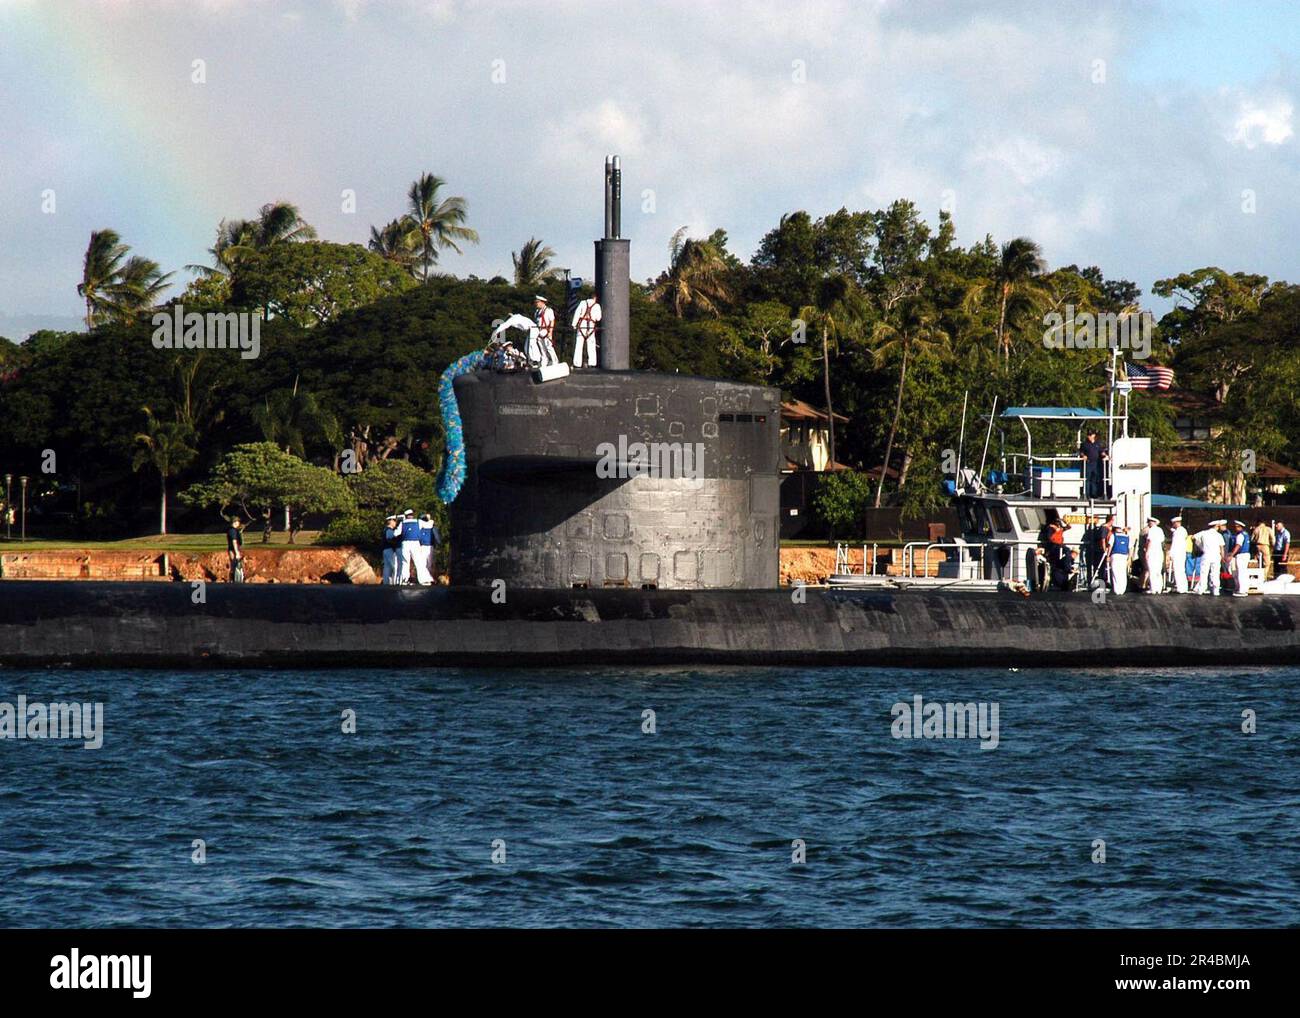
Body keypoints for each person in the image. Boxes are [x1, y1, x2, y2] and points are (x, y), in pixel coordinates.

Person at [399, 509, 433, 585]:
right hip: (415, 543)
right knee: (419, 562)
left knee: (405, 562)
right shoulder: (418, 521)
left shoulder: (402, 523)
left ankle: (404, 580)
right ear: (412, 515)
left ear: (406, 516)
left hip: (405, 543)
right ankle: (423, 580)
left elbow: (396, 533)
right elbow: (429, 525)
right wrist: (428, 518)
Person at [1195, 520, 1226, 595]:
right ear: (1216, 526)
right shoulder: (1219, 535)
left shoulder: (1204, 533)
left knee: (1204, 572)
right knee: (1215, 572)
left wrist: (1200, 546)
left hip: (1206, 554)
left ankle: (1201, 589)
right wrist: (1223, 557)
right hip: (1216, 555)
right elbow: (1221, 547)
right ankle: (1216, 590)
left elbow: (1194, 537)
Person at [571, 294, 602, 368]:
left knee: (579, 345)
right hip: (591, 326)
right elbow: (598, 318)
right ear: (595, 298)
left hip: (581, 325)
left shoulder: (582, 303)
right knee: (591, 345)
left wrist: (574, 324)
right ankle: (592, 363)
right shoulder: (597, 306)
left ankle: (577, 363)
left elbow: (577, 314)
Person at [1079, 429, 1108, 499]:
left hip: (1096, 464)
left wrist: (1106, 456)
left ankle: (1094, 494)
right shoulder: (1084, 444)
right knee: (1087, 479)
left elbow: (1101, 451)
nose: (1089, 436)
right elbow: (1081, 452)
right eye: (1088, 435)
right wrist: (1083, 455)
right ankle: (1087, 494)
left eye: (1090, 435)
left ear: (1094, 435)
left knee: (1095, 479)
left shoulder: (1098, 444)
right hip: (1088, 463)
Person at [533, 295, 558, 367]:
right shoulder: (537, 312)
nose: (536, 304)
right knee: (542, 348)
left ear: (542, 302)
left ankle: (554, 362)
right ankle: (544, 362)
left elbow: (552, 321)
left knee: (549, 347)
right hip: (538, 331)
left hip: (545, 330)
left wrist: (550, 332)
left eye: (537, 302)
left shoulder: (548, 310)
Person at [1228, 520, 1251, 596]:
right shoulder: (1246, 534)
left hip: (1241, 555)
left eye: (1236, 527)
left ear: (1240, 527)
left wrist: (1231, 555)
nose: (1235, 528)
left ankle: (1242, 590)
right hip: (1246, 554)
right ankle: (1243, 588)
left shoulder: (1240, 535)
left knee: (1241, 573)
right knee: (1243, 572)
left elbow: (1238, 545)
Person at [1143, 516, 1165, 594]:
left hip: (1152, 551)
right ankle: (1159, 588)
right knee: (1158, 571)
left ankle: (1153, 588)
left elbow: (1149, 541)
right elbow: (1162, 540)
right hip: (1159, 551)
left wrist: (1147, 552)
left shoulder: (1151, 530)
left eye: (1149, 522)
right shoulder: (1160, 530)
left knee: (1152, 570)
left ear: (1151, 522)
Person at [1168, 514, 1189, 594]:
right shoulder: (1182, 530)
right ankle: (1183, 587)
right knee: (1181, 570)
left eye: (1173, 523)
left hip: (1177, 553)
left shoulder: (1178, 532)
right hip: (1182, 553)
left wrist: (1170, 554)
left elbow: (1175, 544)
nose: (1173, 525)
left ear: (1176, 523)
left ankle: (1180, 587)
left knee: (1177, 570)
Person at [1108, 525, 1130, 594]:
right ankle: (1122, 589)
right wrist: (1129, 557)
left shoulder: (1113, 536)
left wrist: (1108, 555)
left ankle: (1117, 590)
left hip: (1115, 554)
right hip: (1124, 555)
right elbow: (1130, 548)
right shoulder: (1127, 537)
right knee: (1122, 572)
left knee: (1115, 572)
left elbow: (1110, 546)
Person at [419, 512, 440, 581]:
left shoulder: (421, 528)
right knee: (429, 563)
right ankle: (428, 578)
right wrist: (439, 543)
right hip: (429, 546)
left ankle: (427, 578)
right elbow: (437, 538)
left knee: (424, 563)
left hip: (424, 546)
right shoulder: (433, 528)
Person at [382, 514, 402, 585]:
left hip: (385, 549)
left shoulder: (385, 529)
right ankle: (392, 583)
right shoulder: (389, 530)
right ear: (390, 521)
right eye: (394, 521)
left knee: (387, 567)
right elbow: (389, 538)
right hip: (389, 550)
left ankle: (386, 582)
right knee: (393, 566)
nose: (395, 522)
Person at [226, 517, 245, 582]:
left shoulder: (234, 530)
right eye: (238, 522)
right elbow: (234, 541)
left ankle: (235, 579)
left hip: (234, 549)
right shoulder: (232, 531)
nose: (239, 523)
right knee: (234, 564)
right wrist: (237, 553)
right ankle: (233, 580)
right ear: (235, 522)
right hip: (233, 550)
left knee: (236, 564)